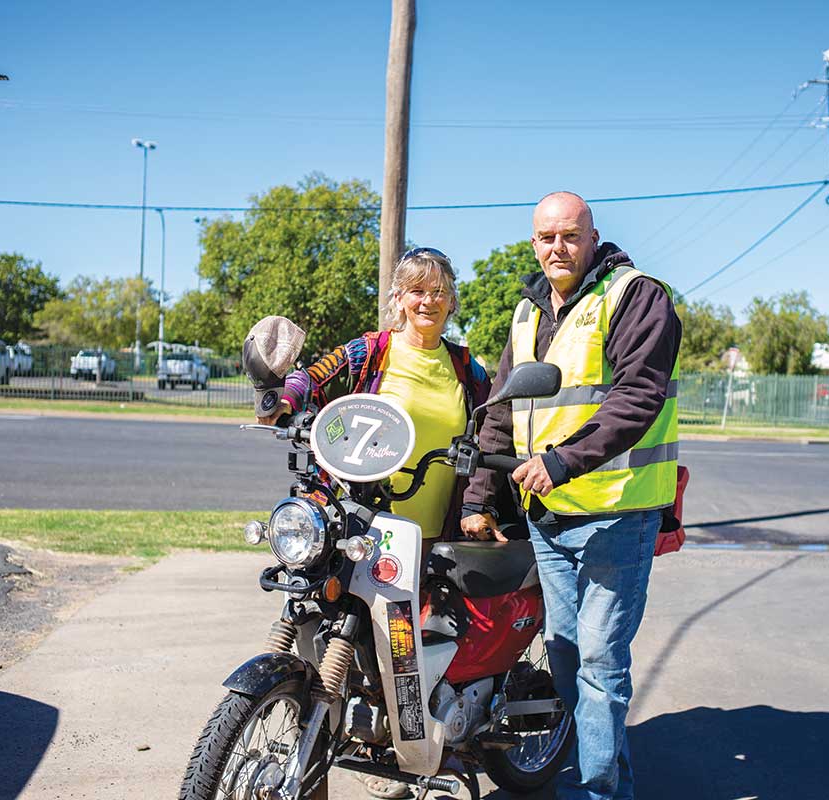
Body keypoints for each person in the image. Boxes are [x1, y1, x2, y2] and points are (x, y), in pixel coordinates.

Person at [462, 192, 681, 800]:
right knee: (566, 664)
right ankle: (608, 780)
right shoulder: (528, 311)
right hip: (549, 517)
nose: (557, 248)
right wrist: (479, 497)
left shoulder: (637, 296)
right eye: (545, 237)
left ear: (592, 237)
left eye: (569, 236)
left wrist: (561, 462)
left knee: (599, 666)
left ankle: (600, 794)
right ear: (533, 242)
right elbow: (500, 413)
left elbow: (637, 397)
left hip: (616, 513)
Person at [253, 247, 491, 799]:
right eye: (416, 290)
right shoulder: (375, 350)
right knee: (339, 622)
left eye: (438, 291)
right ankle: (345, 742)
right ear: (399, 300)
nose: (428, 300)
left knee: (417, 643)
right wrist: (283, 402)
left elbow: (493, 420)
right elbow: (314, 377)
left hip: (434, 527)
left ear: (451, 300)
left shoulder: (466, 367)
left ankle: (422, 750)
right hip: (364, 517)